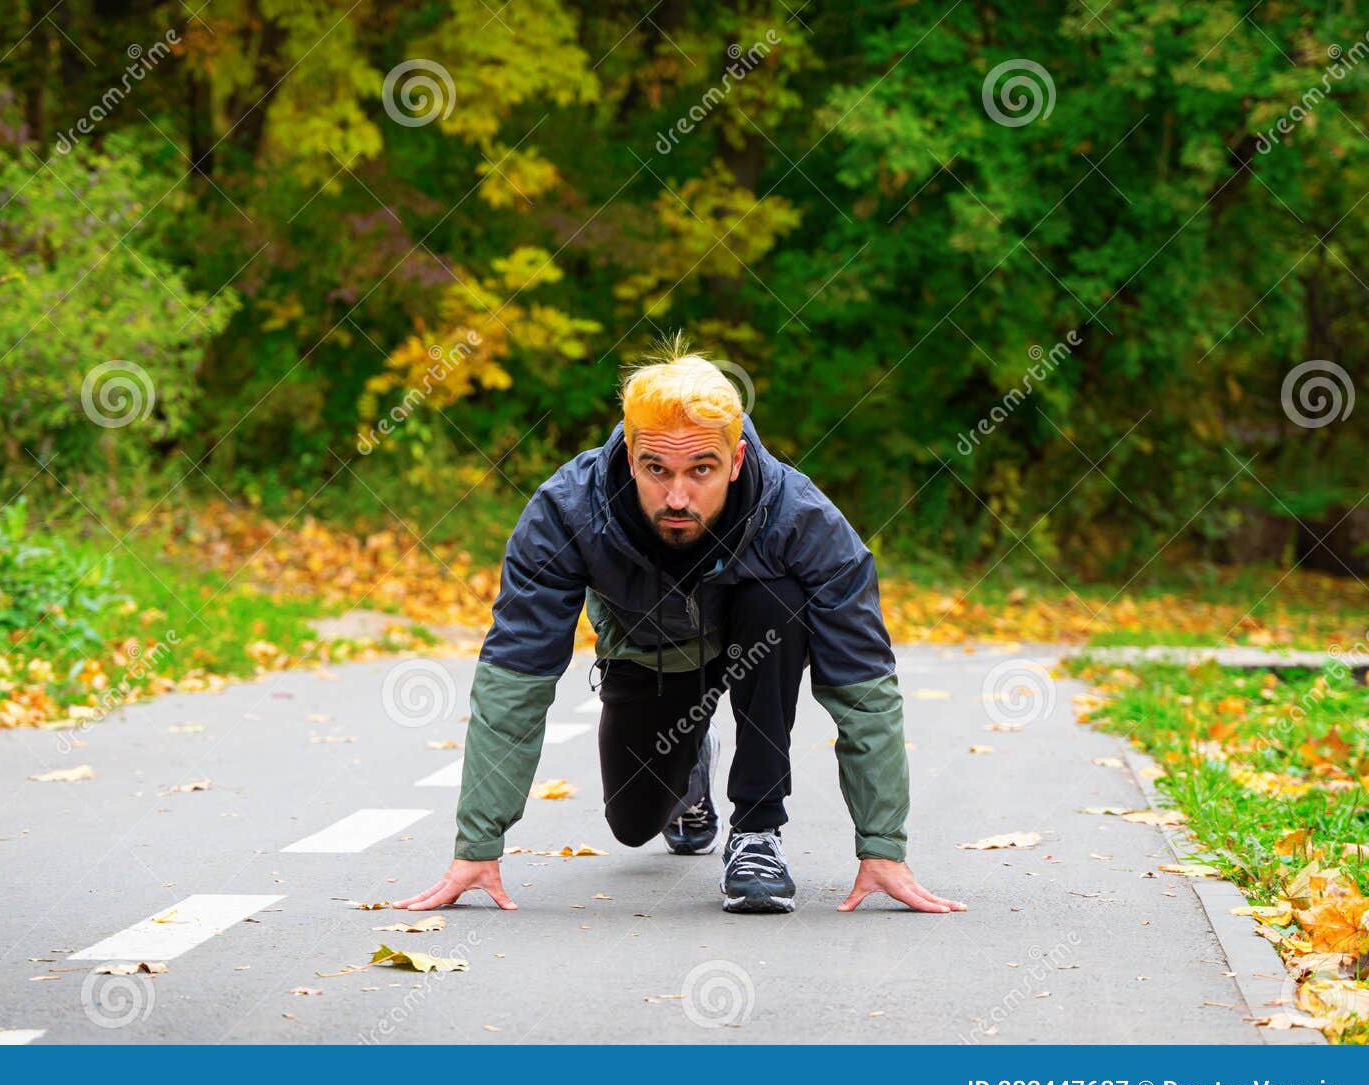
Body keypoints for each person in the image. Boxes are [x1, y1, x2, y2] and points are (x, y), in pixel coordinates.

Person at [395, 342, 964, 915]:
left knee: (777, 599)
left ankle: (756, 833)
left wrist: (883, 847)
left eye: (702, 470)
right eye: (656, 469)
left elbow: (862, 688)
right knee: (633, 822)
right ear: (629, 455)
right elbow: (516, 678)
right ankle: (691, 761)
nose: (677, 497)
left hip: (756, 642)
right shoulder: (566, 512)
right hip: (650, 657)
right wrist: (477, 847)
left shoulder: (802, 519)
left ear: (736, 461)